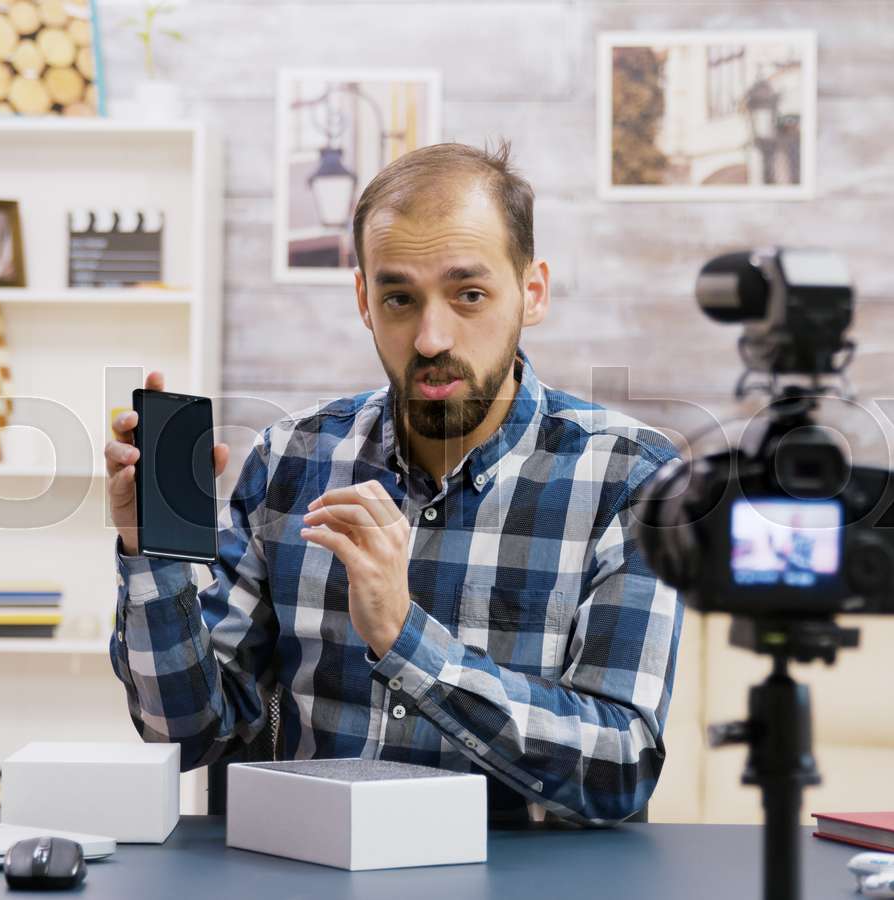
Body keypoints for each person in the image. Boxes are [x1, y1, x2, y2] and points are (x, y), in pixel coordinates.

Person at [106, 142, 681, 826]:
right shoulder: (289, 461)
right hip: (312, 870)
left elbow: (621, 770)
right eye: (400, 297)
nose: (433, 336)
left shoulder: (632, 476)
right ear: (364, 300)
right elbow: (185, 731)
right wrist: (153, 558)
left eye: (469, 294)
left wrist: (406, 638)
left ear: (532, 292)